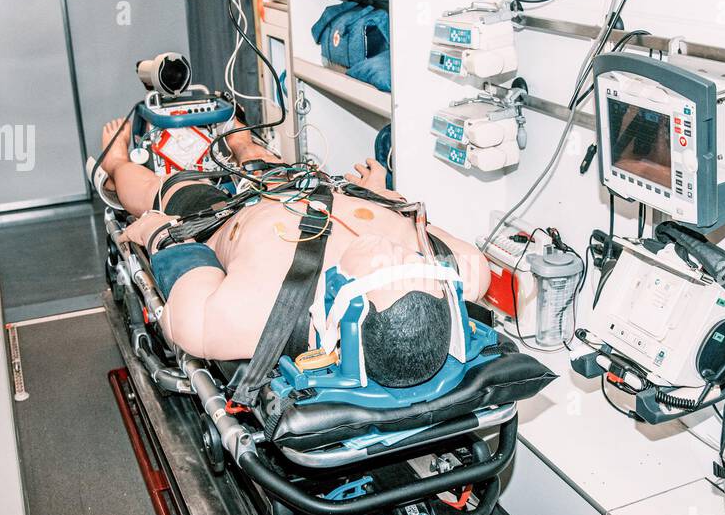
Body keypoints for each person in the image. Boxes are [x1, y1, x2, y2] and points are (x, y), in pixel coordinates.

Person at [95, 118, 490, 386]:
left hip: (222, 217)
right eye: (410, 264)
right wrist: (382, 196)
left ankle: (116, 163)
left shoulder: (259, 312)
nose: (392, 247)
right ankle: (244, 145)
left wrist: (160, 233)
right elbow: (447, 246)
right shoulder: (464, 270)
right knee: (270, 163)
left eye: (385, 268)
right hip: (307, 188)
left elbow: (188, 291)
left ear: (348, 314)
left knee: (165, 189)